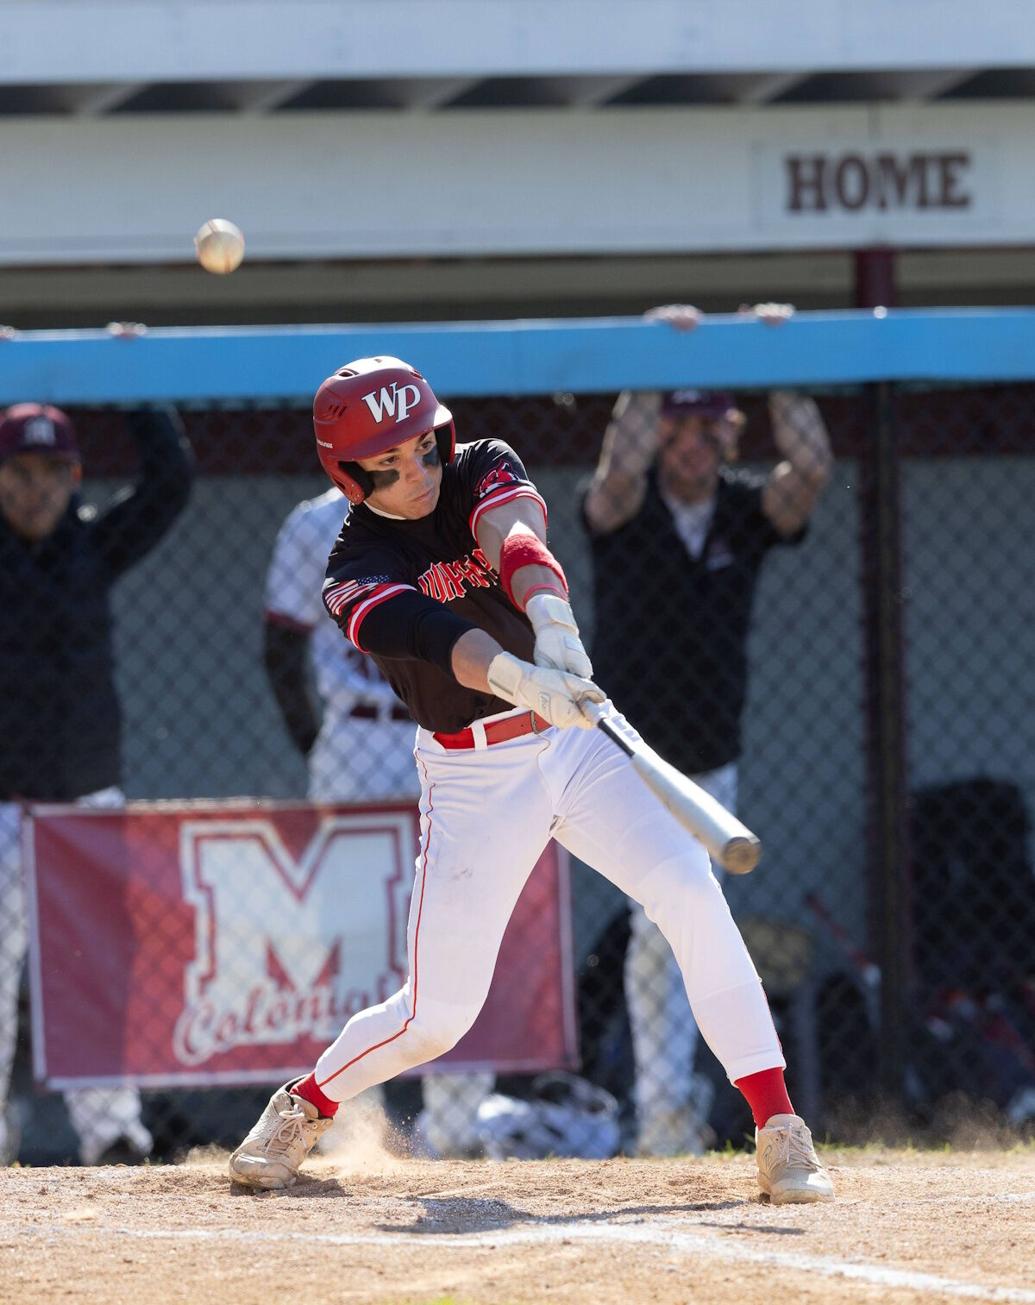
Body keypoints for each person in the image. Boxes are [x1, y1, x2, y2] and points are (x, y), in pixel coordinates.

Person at [228, 353, 834, 1205]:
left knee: (689, 888)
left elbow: (511, 537)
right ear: (348, 475)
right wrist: (517, 674)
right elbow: (437, 635)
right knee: (437, 1015)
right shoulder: (350, 565)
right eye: (388, 465)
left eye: (424, 448)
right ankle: (304, 1103)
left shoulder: (481, 462)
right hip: (473, 775)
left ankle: (776, 1127)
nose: (418, 474)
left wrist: (550, 621)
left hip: (575, 744)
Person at [582, 303, 833, 1156]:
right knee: (661, 925)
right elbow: (614, 470)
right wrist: (655, 360)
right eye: (676, 424)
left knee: (669, 927)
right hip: (618, 751)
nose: (689, 443)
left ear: (730, 433)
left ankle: (667, 1115)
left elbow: (809, 471)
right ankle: (659, 1113)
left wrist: (777, 359)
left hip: (708, 758)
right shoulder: (625, 504)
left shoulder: (739, 512)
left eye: (705, 427)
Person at [263, 488, 493, 1156]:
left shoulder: (450, 506)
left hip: (444, 722)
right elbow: (279, 648)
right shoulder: (311, 522)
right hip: (355, 730)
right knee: (350, 938)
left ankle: (456, 1128)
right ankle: (346, 1126)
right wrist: (321, 745)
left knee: (458, 922)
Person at [0, 399, 194, 1165]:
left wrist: (133, 384)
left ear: (75, 477)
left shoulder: (92, 544)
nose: (36, 489)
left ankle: (113, 1136)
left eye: (54, 473)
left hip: (84, 806)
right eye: (18, 471)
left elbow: (170, 483)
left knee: (92, 972)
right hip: (1, 804)